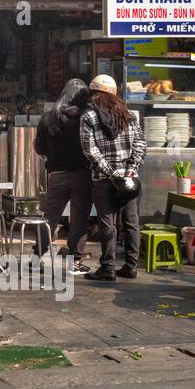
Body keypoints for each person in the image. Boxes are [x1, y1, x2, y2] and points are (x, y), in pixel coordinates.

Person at [78, 74, 145, 281]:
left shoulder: (88, 116)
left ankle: (107, 267)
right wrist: (130, 170)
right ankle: (131, 266)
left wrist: (111, 172)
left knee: (107, 222)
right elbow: (141, 145)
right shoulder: (128, 114)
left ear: (94, 93)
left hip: (103, 179)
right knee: (131, 222)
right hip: (129, 180)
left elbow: (90, 151)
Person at [34, 78, 92, 267]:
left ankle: (38, 254)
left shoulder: (48, 118)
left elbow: (40, 149)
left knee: (50, 216)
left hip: (56, 175)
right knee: (79, 217)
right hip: (82, 174)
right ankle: (75, 257)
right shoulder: (86, 118)